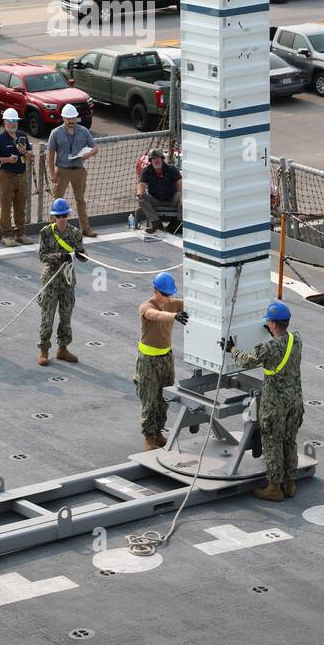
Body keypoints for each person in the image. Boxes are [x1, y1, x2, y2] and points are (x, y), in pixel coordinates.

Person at [220, 301, 304, 502]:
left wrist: (231, 349)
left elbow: (246, 361)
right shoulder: (297, 339)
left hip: (276, 402)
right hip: (295, 399)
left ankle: (274, 488)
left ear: (272, 324)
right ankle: (290, 483)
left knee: (273, 441)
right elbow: (282, 345)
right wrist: (273, 333)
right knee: (289, 439)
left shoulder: (268, 348)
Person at [135, 272, 186, 450]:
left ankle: (158, 432)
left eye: (169, 294)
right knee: (149, 398)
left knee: (164, 397)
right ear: (155, 291)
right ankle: (148, 437)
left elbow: (190, 303)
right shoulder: (146, 307)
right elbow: (155, 315)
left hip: (166, 357)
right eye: (164, 294)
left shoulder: (171, 303)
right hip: (148, 360)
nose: (167, 297)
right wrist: (174, 316)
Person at [37, 198, 87, 367]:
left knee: (66, 316)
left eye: (64, 215)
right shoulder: (45, 232)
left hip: (67, 281)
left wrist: (81, 255)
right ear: (53, 217)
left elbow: (82, 254)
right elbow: (42, 256)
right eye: (58, 216)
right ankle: (44, 349)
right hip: (51, 280)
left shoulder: (74, 233)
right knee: (47, 316)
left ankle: (63, 348)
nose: (61, 219)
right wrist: (59, 256)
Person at [47, 104, 98, 237]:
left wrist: (89, 154)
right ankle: (53, 230)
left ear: (76, 118)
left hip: (79, 170)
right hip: (62, 170)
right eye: (68, 119)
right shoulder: (55, 133)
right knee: (57, 200)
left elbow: (95, 148)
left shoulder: (84, 131)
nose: (71, 121)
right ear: (63, 118)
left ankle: (85, 228)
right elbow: (50, 154)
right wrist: (52, 173)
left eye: (73, 118)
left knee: (80, 200)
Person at [0, 109, 34, 246]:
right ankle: (6, 235)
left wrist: (24, 152)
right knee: (5, 207)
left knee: (20, 205)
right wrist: (7, 160)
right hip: (6, 176)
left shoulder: (22, 136)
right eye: (10, 121)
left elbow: (30, 156)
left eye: (15, 121)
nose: (13, 124)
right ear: (5, 123)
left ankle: (20, 234)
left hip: (21, 176)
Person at [135, 150, 183, 234]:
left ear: (162, 159)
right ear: (150, 161)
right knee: (140, 198)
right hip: (156, 200)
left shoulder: (172, 169)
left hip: (171, 199)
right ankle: (156, 223)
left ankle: (177, 223)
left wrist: (182, 198)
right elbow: (141, 184)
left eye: (158, 158)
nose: (156, 160)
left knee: (184, 197)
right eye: (153, 158)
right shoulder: (146, 170)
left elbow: (181, 185)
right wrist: (140, 193)